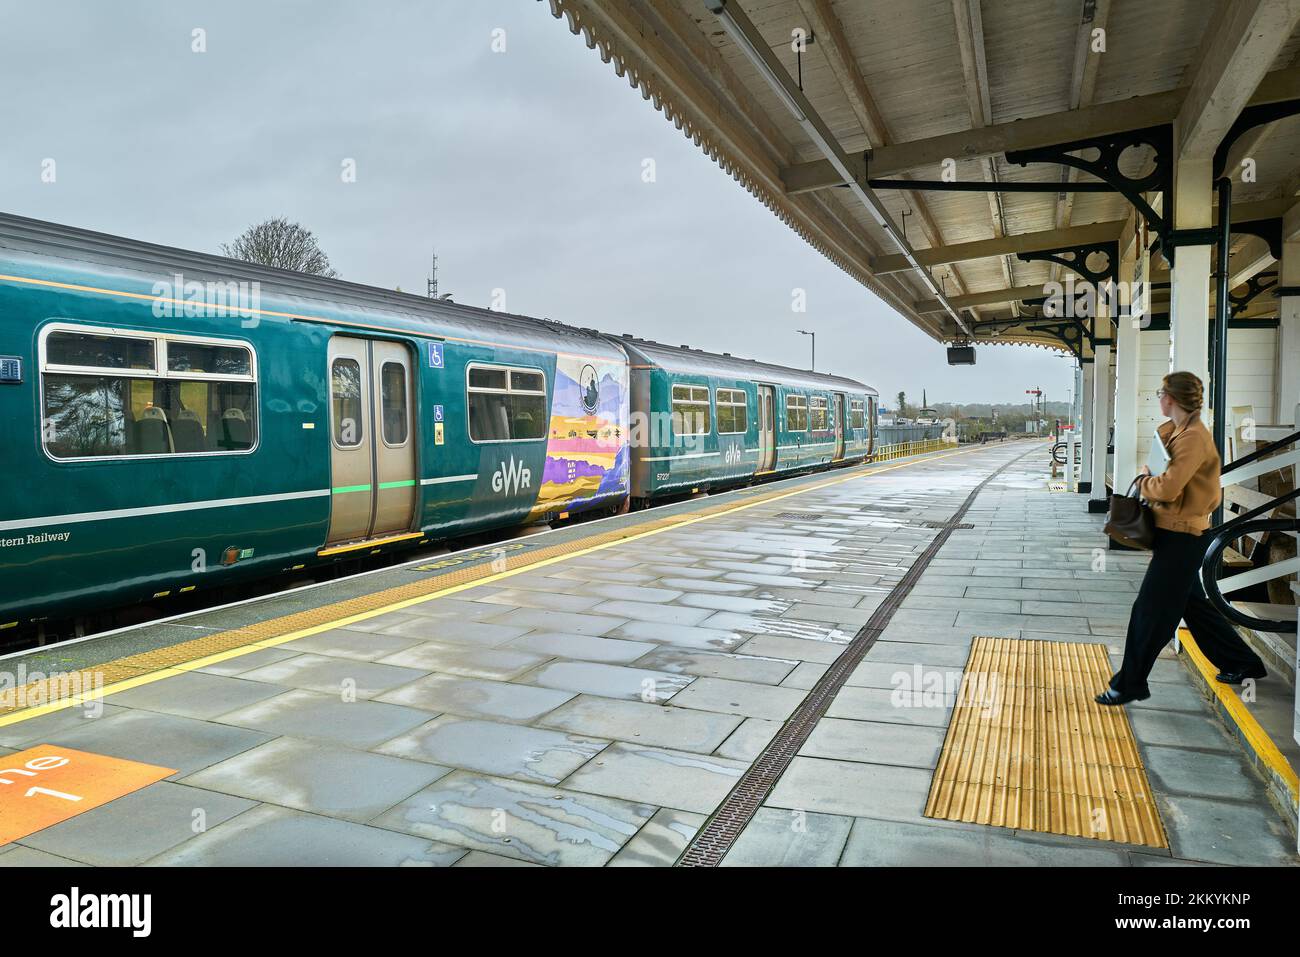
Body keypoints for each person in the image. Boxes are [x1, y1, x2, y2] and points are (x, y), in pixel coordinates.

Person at [1096, 371, 1267, 706]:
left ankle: (1130, 683)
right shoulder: (1180, 431)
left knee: (1150, 611)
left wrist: (1144, 481)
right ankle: (1243, 662)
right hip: (1178, 534)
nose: (1158, 398)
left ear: (1170, 398)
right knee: (1195, 607)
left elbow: (1170, 487)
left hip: (1182, 537)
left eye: (1160, 392)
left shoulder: (1192, 438)